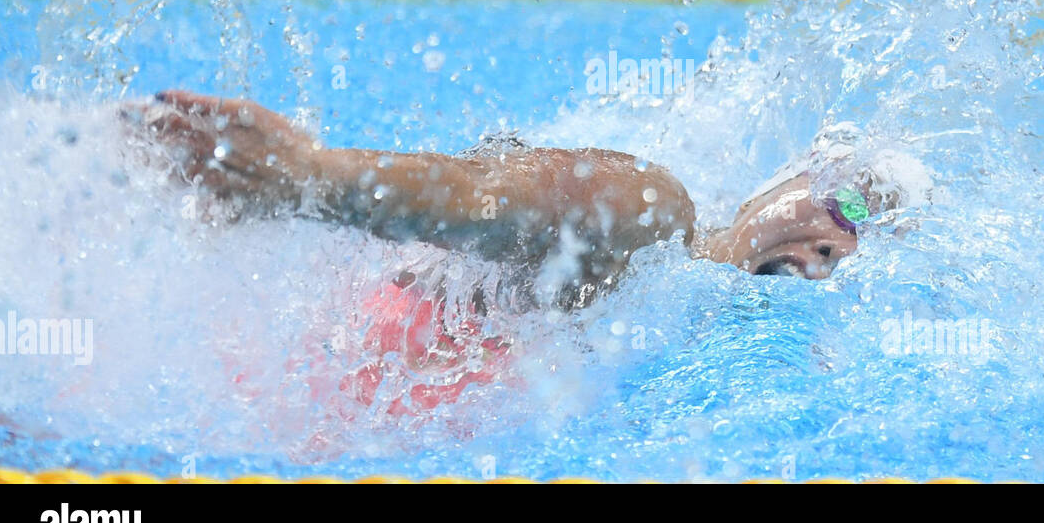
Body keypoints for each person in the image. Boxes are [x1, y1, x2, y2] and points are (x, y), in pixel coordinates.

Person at [138, 89, 890, 414]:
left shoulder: (732, 377)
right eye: (844, 200)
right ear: (768, 191)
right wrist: (314, 179)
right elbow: (489, 198)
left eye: (872, 233)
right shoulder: (655, 219)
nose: (841, 240)